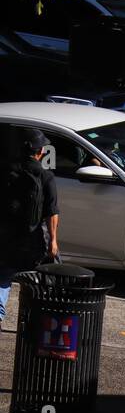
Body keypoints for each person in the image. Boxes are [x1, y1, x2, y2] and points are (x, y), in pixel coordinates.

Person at [0, 128, 59, 322]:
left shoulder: (7, 171)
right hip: (34, 239)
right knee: (45, 279)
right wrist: (53, 242)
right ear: (40, 152)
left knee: (2, 279)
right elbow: (52, 212)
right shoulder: (46, 176)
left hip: (6, 238)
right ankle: (40, 319)